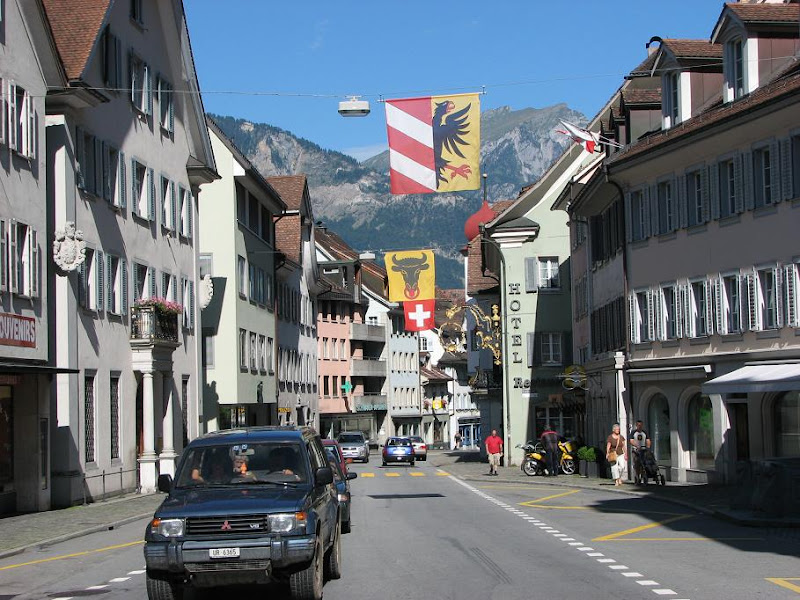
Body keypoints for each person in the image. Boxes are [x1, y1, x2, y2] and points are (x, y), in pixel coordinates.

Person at [606, 423, 628, 487]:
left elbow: (624, 446)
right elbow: (608, 446)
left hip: (620, 453)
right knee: (614, 468)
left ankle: (619, 477)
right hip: (613, 454)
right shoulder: (610, 437)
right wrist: (607, 453)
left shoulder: (621, 437)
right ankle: (616, 480)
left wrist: (626, 454)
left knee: (622, 467)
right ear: (613, 430)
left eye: (619, 429)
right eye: (617, 429)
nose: (618, 430)